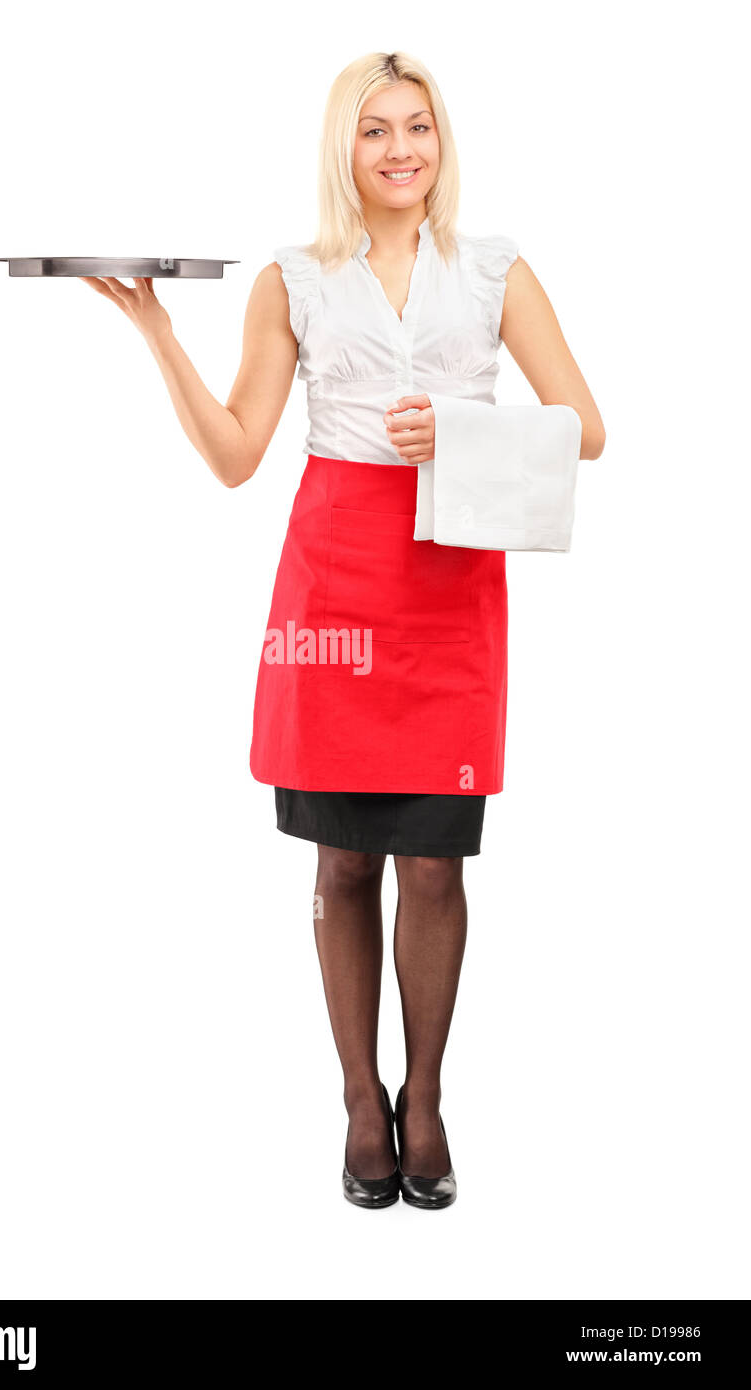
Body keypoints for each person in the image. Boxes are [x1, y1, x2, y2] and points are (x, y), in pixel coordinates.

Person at [81, 51, 606, 1210]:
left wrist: (459, 436)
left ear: (440, 140)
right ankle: (358, 1100)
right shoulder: (293, 279)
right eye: (373, 131)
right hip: (333, 589)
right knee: (342, 861)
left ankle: (426, 1097)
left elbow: (587, 429)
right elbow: (232, 456)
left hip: (447, 586)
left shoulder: (494, 270)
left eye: (416, 127)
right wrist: (155, 328)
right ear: (343, 148)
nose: (399, 150)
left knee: (433, 861)